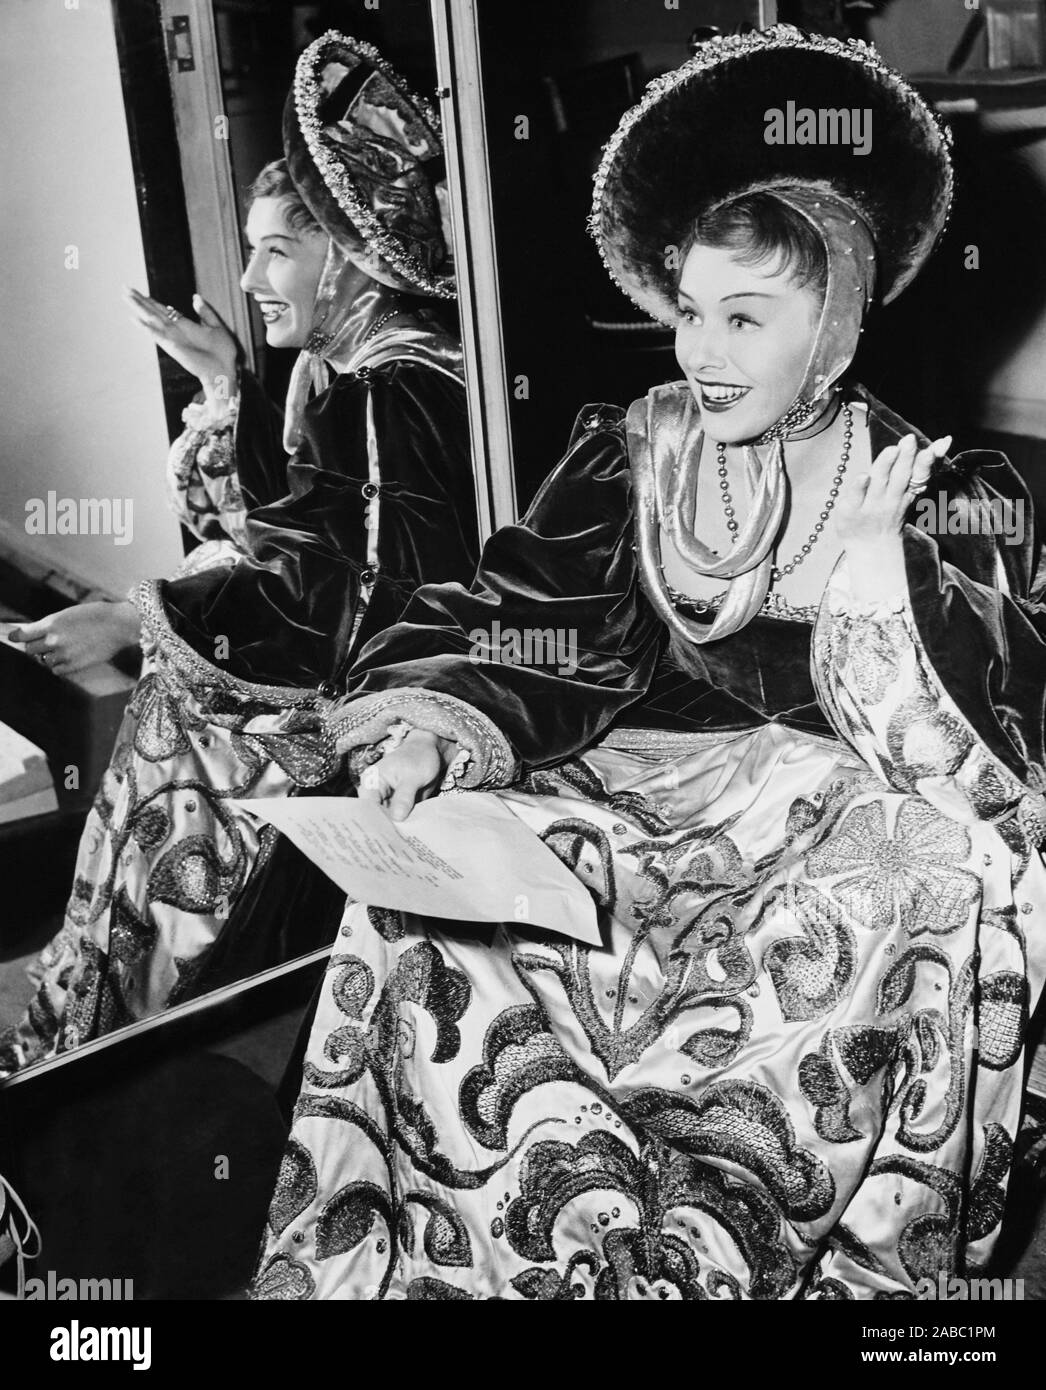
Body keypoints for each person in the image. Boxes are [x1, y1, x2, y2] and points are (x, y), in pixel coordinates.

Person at [252, 27, 1046, 1301]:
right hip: (633, 786)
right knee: (418, 894)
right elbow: (534, 624)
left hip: (819, 822)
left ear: (832, 321)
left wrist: (867, 571)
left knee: (932, 885)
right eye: (689, 311)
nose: (703, 352)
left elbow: (989, 769)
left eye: (747, 318)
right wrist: (437, 730)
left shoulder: (937, 488)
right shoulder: (635, 448)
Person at [0, 32, 478, 1072]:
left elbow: (348, 608)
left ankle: (115, 1050)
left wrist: (145, 617)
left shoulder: (388, 388)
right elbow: (298, 538)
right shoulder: (341, 371)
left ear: (345, 255)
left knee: (174, 733)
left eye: (276, 249)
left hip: (391, 713)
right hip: (369, 678)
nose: (251, 275)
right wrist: (229, 385)